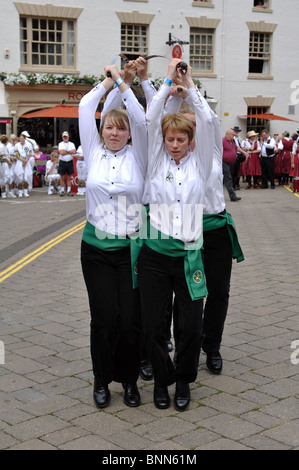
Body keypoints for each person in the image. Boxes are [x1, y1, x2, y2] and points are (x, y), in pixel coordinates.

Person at [139, 58, 215, 412]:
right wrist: (168, 82)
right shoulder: (154, 163)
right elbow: (148, 121)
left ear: (189, 141)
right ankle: (162, 380)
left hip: (188, 254)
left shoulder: (200, 165)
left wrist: (192, 89)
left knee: (192, 326)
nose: (173, 144)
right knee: (155, 325)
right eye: (169, 139)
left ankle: (183, 379)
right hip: (155, 256)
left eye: (180, 139)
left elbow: (211, 124)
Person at [79, 62, 147, 409]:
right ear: (101, 130)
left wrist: (124, 85)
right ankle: (101, 378)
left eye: (120, 129)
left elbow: (139, 118)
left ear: (129, 133)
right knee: (104, 318)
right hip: (96, 248)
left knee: (130, 320)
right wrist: (106, 82)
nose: (114, 133)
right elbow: (85, 106)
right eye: (108, 127)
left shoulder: (140, 156)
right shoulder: (93, 152)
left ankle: (130, 380)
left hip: (131, 249)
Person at [222, 129, 242, 201]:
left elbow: (237, 148)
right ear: (228, 134)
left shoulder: (232, 142)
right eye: (233, 135)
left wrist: (244, 152)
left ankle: (229, 196)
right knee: (228, 179)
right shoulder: (223, 141)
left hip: (228, 163)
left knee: (226, 179)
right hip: (223, 162)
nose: (234, 136)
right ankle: (232, 196)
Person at [58, 131, 77, 197]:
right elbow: (61, 152)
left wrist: (66, 151)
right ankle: (62, 190)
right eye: (64, 136)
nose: (65, 137)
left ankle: (69, 190)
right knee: (62, 177)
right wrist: (70, 152)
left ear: (68, 137)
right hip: (62, 162)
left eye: (66, 136)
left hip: (69, 162)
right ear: (62, 137)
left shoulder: (71, 144)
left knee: (69, 177)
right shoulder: (60, 144)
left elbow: (74, 151)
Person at [14, 133, 33, 197]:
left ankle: (25, 192)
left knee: (26, 178)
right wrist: (22, 160)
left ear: (25, 138)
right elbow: (16, 154)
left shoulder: (29, 144)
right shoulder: (17, 145)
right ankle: (20, 192)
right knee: (20, 178)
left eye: (22, 138)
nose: (21, 139)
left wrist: (26, 160)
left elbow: (30, 153)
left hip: (26, 161)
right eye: (20, 138)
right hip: (19, 162)